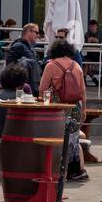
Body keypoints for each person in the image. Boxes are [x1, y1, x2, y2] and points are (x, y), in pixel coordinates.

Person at [39, 39, 89, 180]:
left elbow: (42, 89)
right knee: (73, 139)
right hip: (75, 107)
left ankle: (58, 171)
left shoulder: (51, 66)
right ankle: (77, 170)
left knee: (56, 138)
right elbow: (83, 91)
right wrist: (84, 109)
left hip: (58, 108)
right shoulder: (77, 67)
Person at [4, 22, 42, 92]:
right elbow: (9, 67)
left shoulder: (30, 48)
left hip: (31, 87)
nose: (38, 35)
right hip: (23, 89)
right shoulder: (18, 46)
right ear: (29, 31)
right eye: (36, 33)